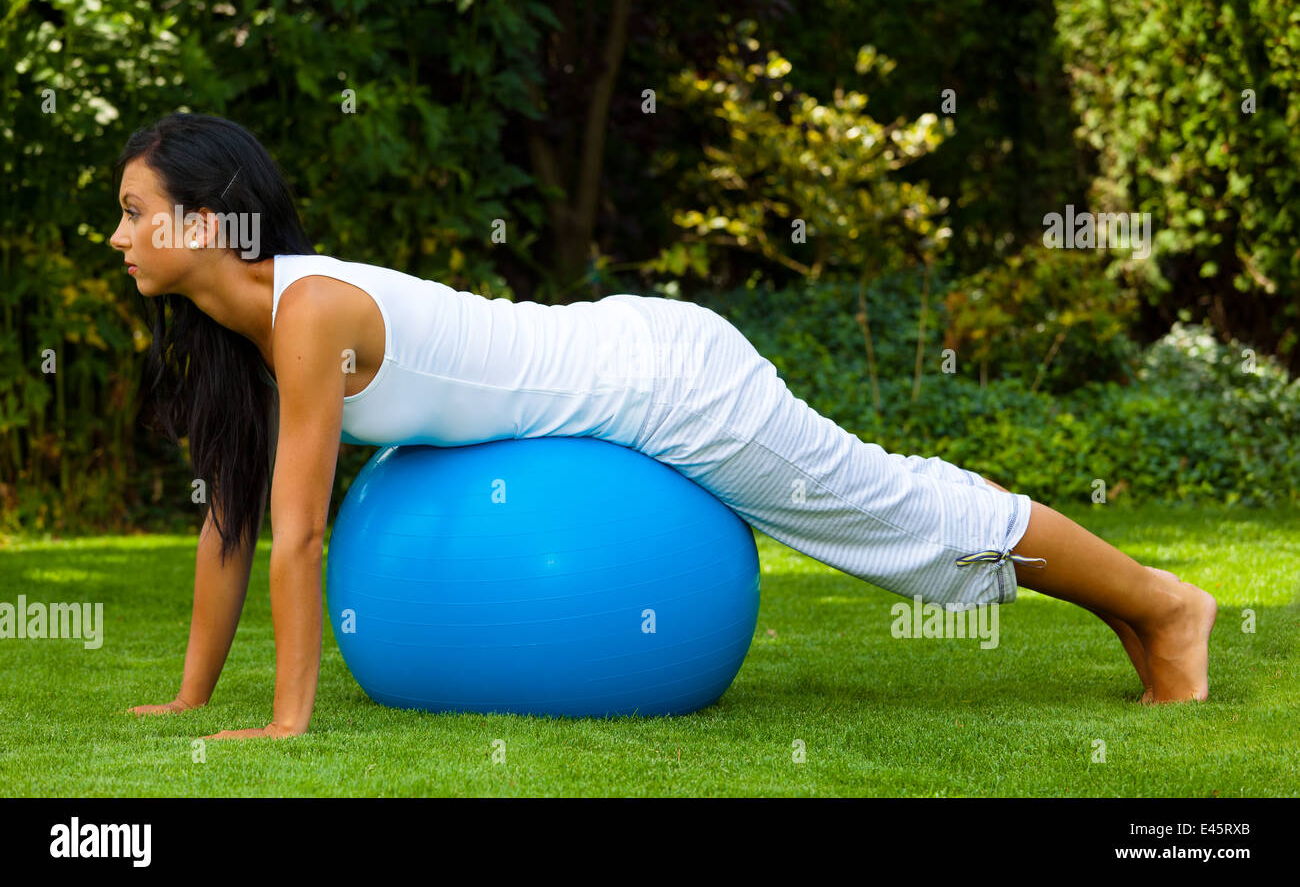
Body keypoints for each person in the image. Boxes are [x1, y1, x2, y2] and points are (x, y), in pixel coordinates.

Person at [115, 114, 1215, 739]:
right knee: (886, 505)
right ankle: (1130, 614)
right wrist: (192, 694)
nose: (118, 234)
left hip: (662, 383)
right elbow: (234, 527)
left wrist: (288, 722)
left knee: (884, 512)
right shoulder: (250, 336)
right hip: (620, 368)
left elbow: (302, 534)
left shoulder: (309, 314)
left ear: (204, 221)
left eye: (133, 210)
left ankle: (1164, 606)